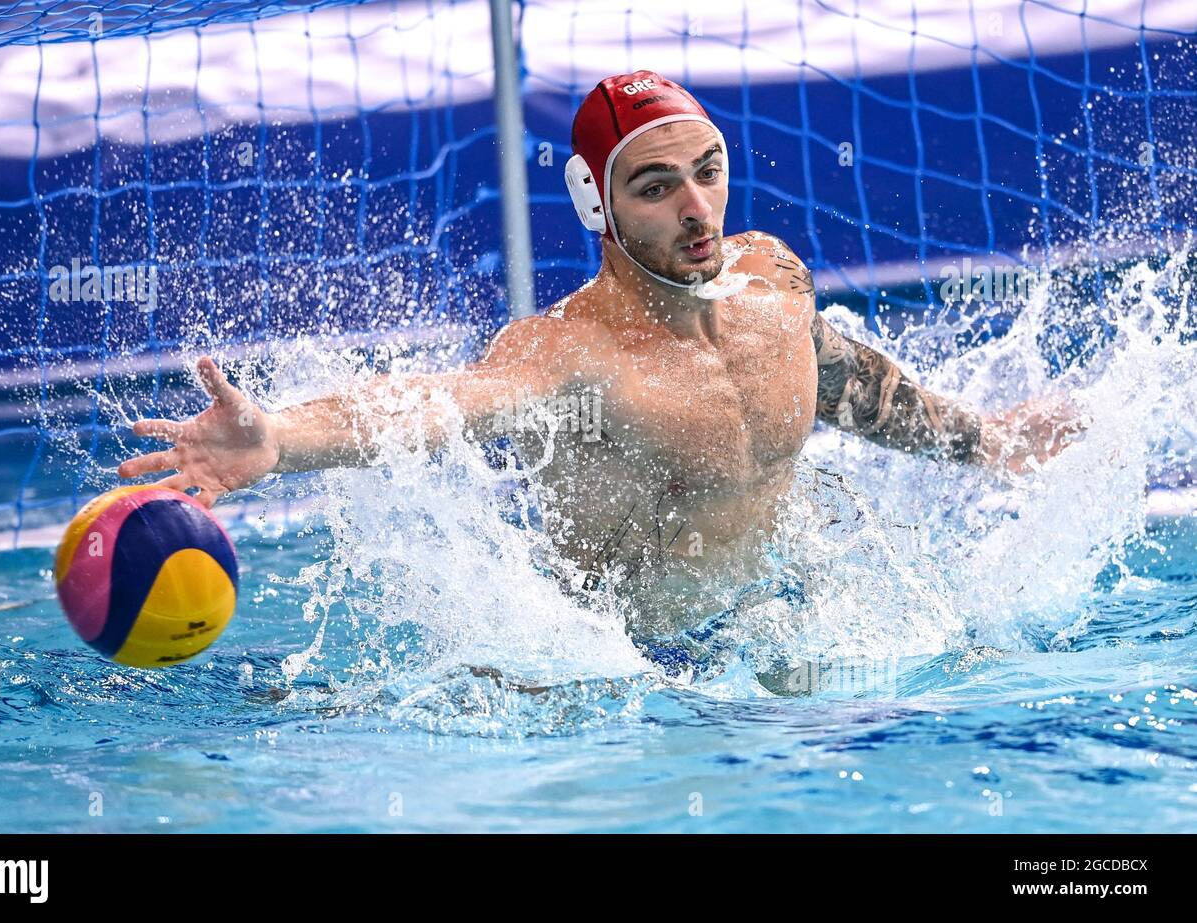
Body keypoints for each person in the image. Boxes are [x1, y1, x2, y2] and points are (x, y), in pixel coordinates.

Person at [117, 70, 1082, 630]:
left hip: (766, 615)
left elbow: (841, 380)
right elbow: (441, 401)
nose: (698, 209)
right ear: (598, 207)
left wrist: (986, 443)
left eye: (707, 173)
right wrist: (280, 436)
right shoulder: (569, 353)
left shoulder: (770, 280)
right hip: (611, 671)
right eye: (657, 188)